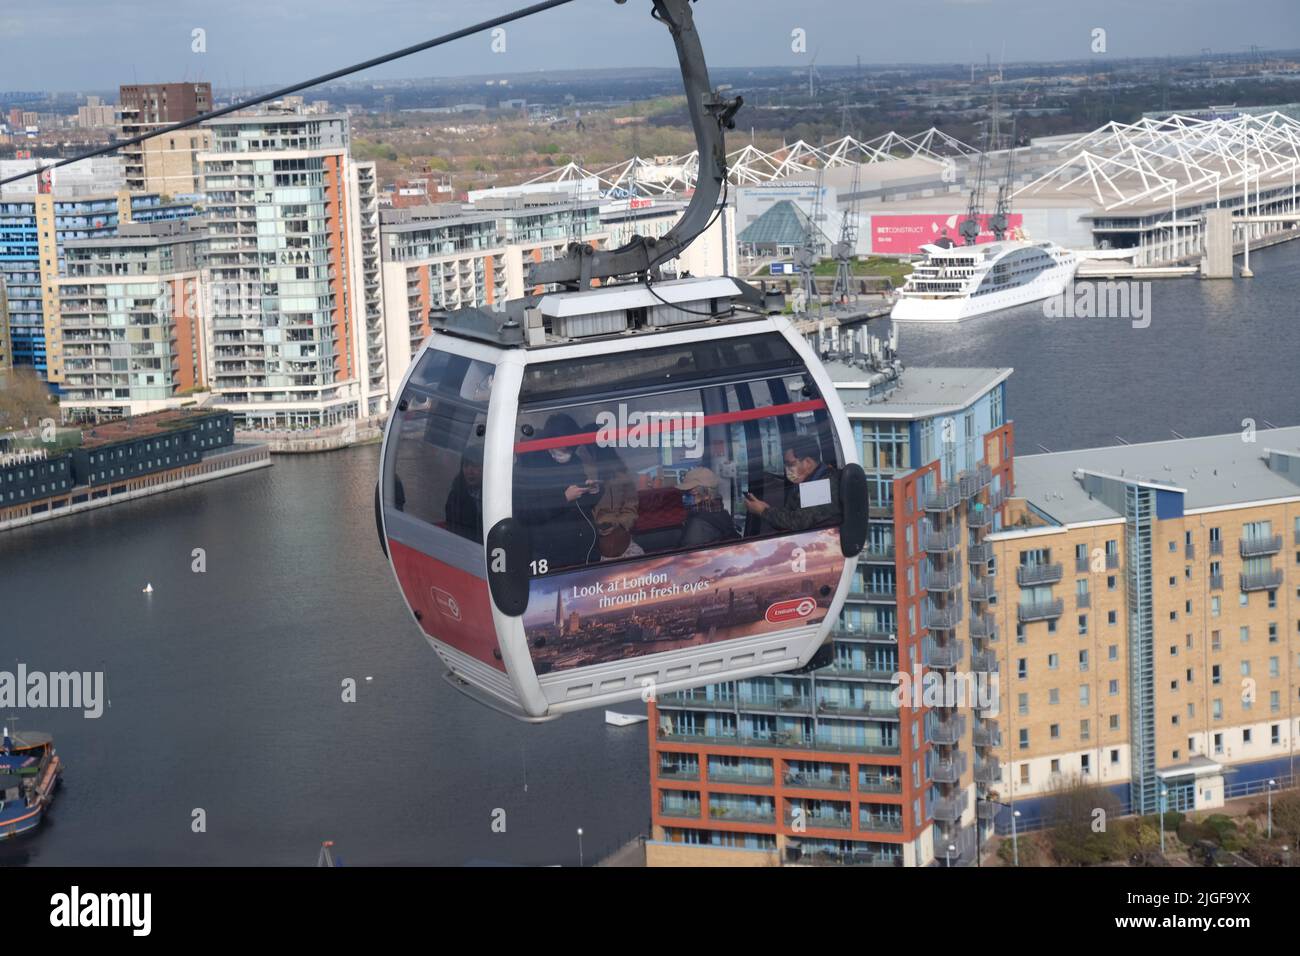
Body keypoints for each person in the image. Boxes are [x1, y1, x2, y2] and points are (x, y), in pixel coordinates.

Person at [515, 413, 600, 567]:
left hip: (581, 547)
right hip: (548, 552)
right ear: (550, 439)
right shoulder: (528, 465)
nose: (567, 451)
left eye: (570, 448)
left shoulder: (574, 460)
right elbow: (525, 513)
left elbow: (582, 505)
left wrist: (593, 491)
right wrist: (563, 498)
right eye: (563, 447)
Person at [743, 434, 840, 532]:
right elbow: (792, 514)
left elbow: (798, 522)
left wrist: (763, 511)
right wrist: (766, 508)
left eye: (791, 464)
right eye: (785, 464)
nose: (787, 469)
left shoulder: (822, 485)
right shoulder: (807, 482)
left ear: (808, 462)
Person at [676, 467, 740, 547]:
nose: (684, 496)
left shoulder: (696, 524)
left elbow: (687, 556)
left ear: (704, 494)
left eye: (687, 492)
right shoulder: (722, 513)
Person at [443, 442, 484, 540]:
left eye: (475, 466)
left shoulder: (494, 495)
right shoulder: (455, 496)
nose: (470, 471)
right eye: (466, 466)